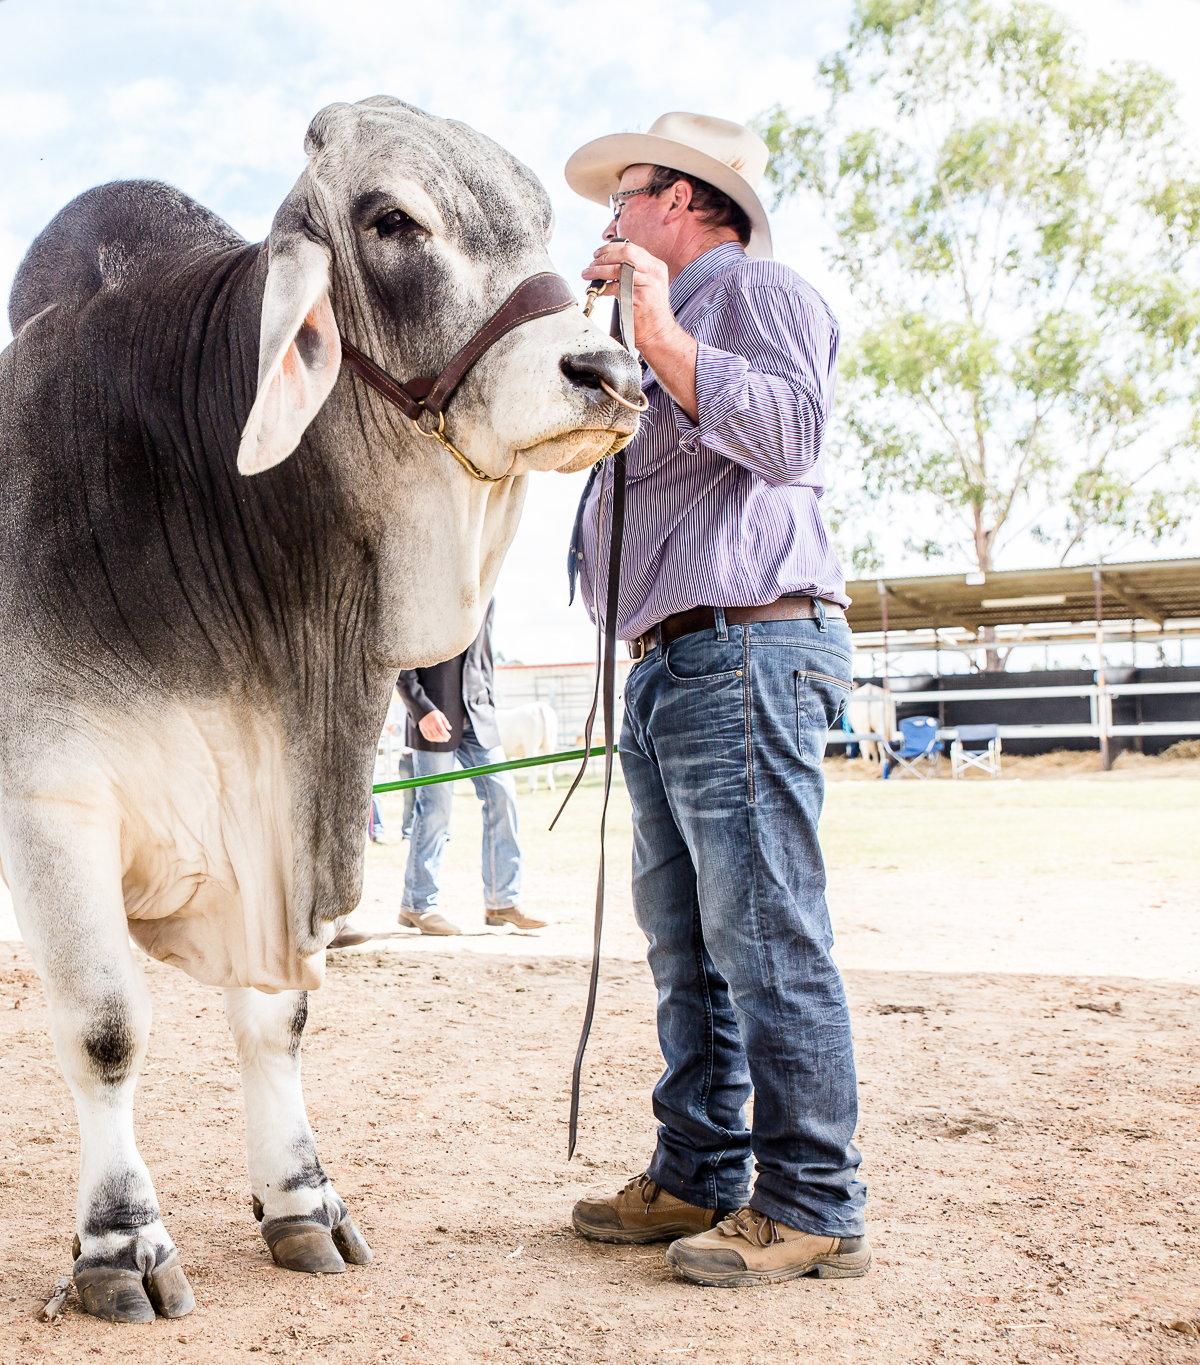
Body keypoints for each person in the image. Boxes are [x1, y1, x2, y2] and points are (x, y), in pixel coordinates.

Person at [561, 114, 868, 1287]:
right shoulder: (656, 327)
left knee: (764, 937)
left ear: (684, 200)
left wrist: (654, 325)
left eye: (625, 194)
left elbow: (789, 437)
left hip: (744, 647)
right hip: (674, 662)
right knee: (688, 948)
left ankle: (812, 1203)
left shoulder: (757, 294)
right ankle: (697, 1171)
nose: (609, 216)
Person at [394, 602, 545, 937]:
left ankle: (503, 901)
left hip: (479, 715)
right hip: (433, 715)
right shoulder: (423, 587)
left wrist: (488, 699)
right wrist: (420, 707)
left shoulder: (487, 591)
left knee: (503, 794)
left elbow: (483, 651)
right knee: (435, 809)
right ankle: (417, 905)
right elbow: (401, 653)